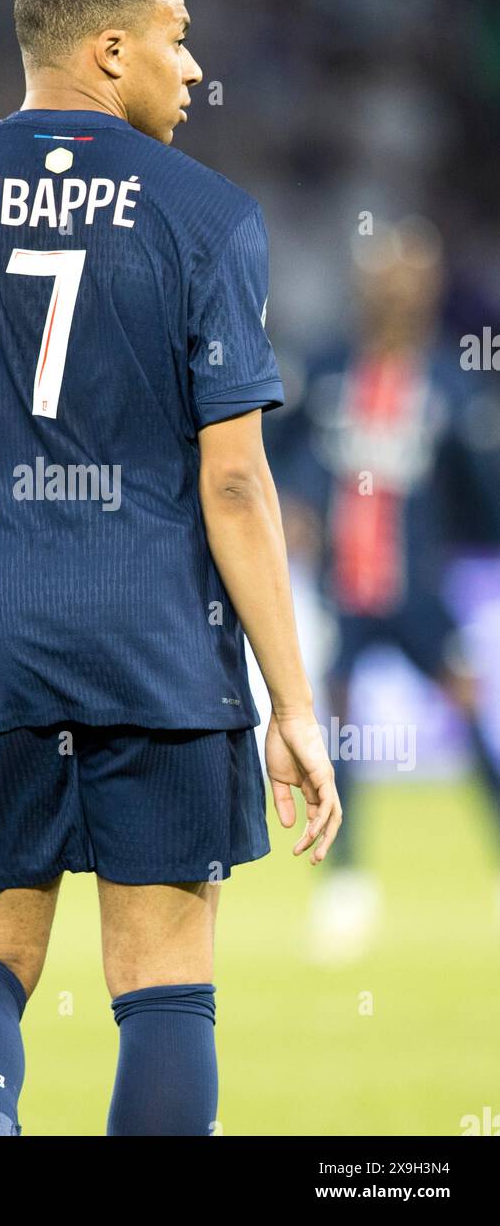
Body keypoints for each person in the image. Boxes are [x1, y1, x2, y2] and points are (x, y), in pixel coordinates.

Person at [0, 0, 341, 1137]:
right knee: (165, 989)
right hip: (159, 653)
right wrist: (294, 704)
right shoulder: (209, 219)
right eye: (176, 37)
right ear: (109, 53)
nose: (195, 66)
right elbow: (234, 489)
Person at [270, 221, 500, 960]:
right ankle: (345, 883)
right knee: (339, 731)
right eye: (385, 283)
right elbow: (282, 452)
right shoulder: (331, 370)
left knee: (468, 714)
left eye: (408, 282)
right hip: (348, 588)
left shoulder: (445, 381)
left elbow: (477, 487)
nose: (395, 296)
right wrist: (296, 507)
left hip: (418, 588)